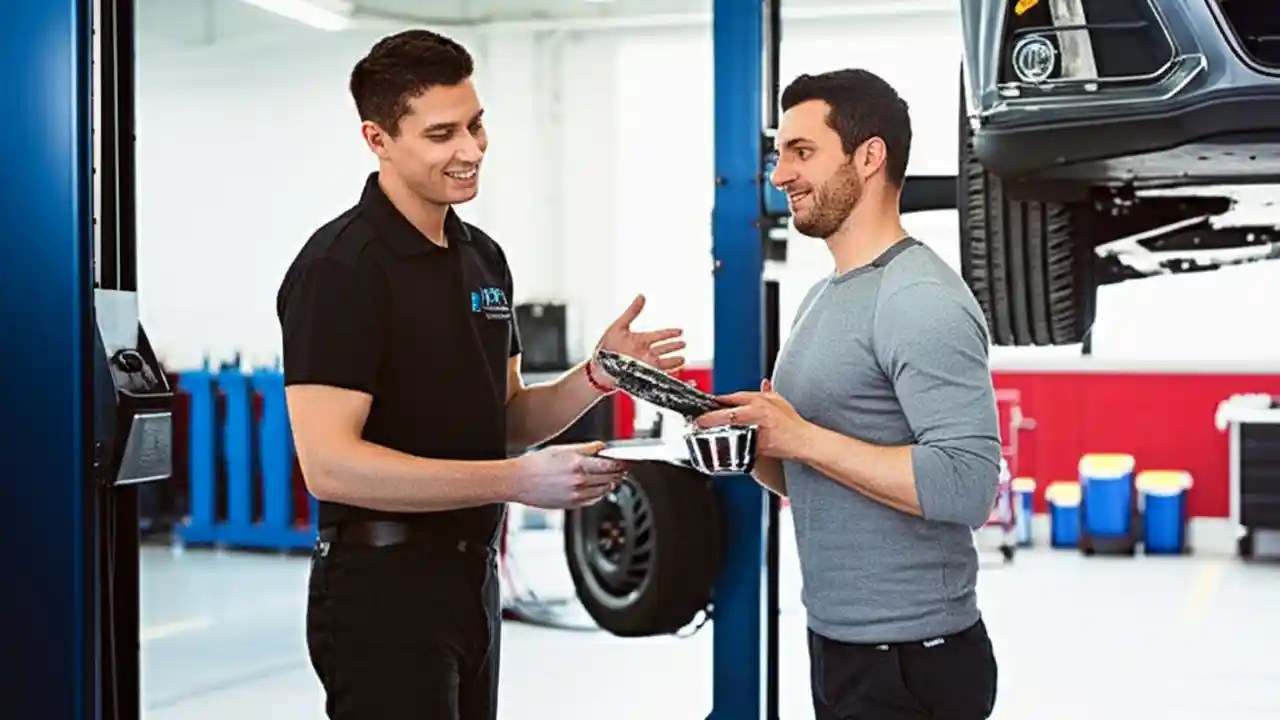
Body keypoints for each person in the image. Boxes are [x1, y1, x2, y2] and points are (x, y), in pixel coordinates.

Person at [275, 29, 685, 720]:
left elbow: (506, 419)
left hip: (470, 579)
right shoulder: (340, 270)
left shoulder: (481, 258)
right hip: (381, 591)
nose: (470, 149)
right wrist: (515, 481)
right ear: (378, 139)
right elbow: (331, 467)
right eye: (441, 134)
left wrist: (597, 375)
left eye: (475, 124)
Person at [696, 69, 1002, 719]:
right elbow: (808, 473)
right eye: (780, 154)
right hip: (841, 644)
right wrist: (751, 444)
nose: (780, 174)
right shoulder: (823, 297)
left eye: (801, 152)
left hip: (914, 658)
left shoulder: (919, 298)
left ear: (869, 157)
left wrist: (801, 437)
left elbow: (968, 486)